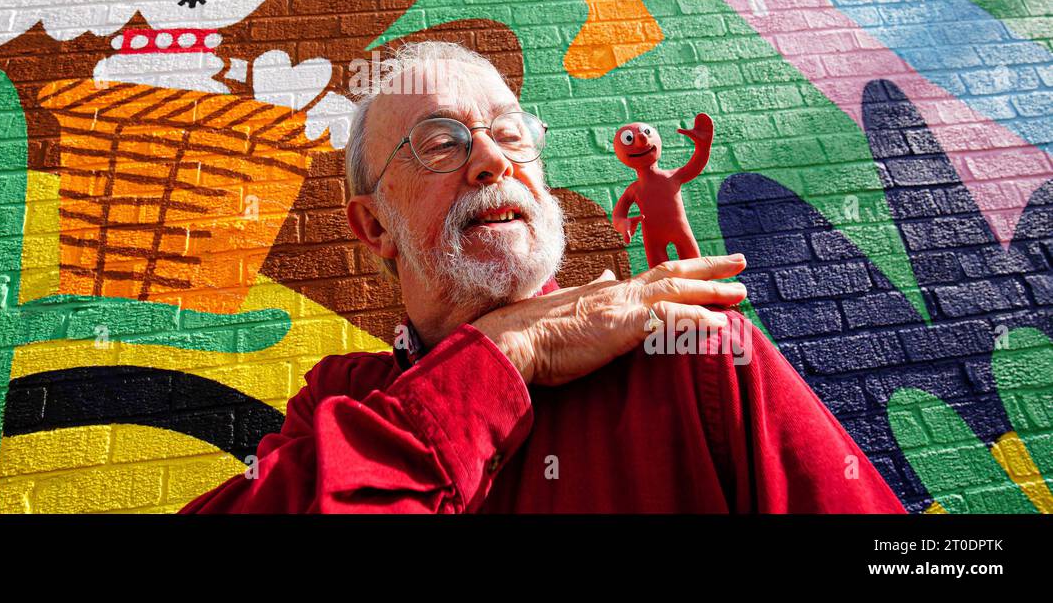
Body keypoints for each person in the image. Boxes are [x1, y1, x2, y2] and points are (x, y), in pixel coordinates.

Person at [180, 40, 906, 513]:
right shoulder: (338, 402)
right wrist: (500, 359)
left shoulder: (690, 352)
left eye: (510, 133)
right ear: (373, 227)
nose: (492, 161)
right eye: (441, 143)